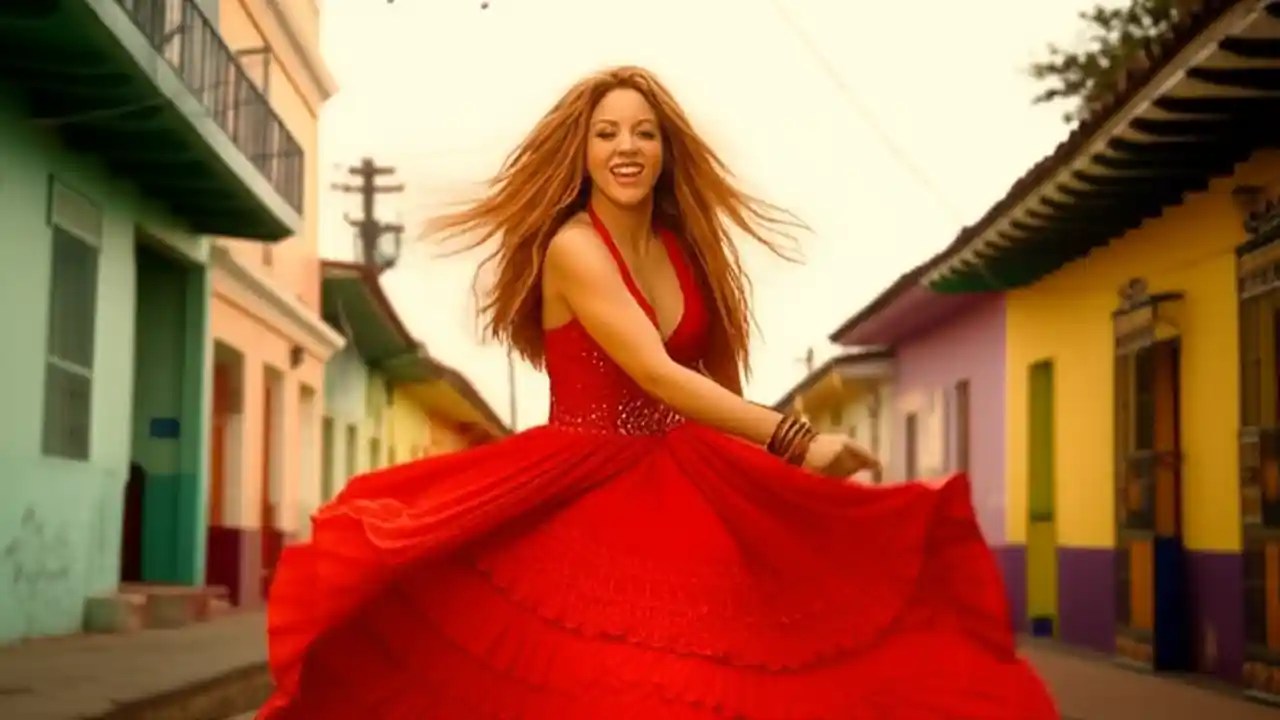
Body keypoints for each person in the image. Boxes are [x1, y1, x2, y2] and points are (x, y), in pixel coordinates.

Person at [258, 65, 1057, 719]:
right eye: (606, 133)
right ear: (581, 151)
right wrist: (796, 438)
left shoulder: (681, 247)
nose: (626, 147)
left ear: (666, 150)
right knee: (617, 691)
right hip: (582, 491)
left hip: (688, 481)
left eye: (643, 132)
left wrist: (777, 477)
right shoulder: (573, 246)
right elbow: (655, 374)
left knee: (738, 678)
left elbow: (712, 383)